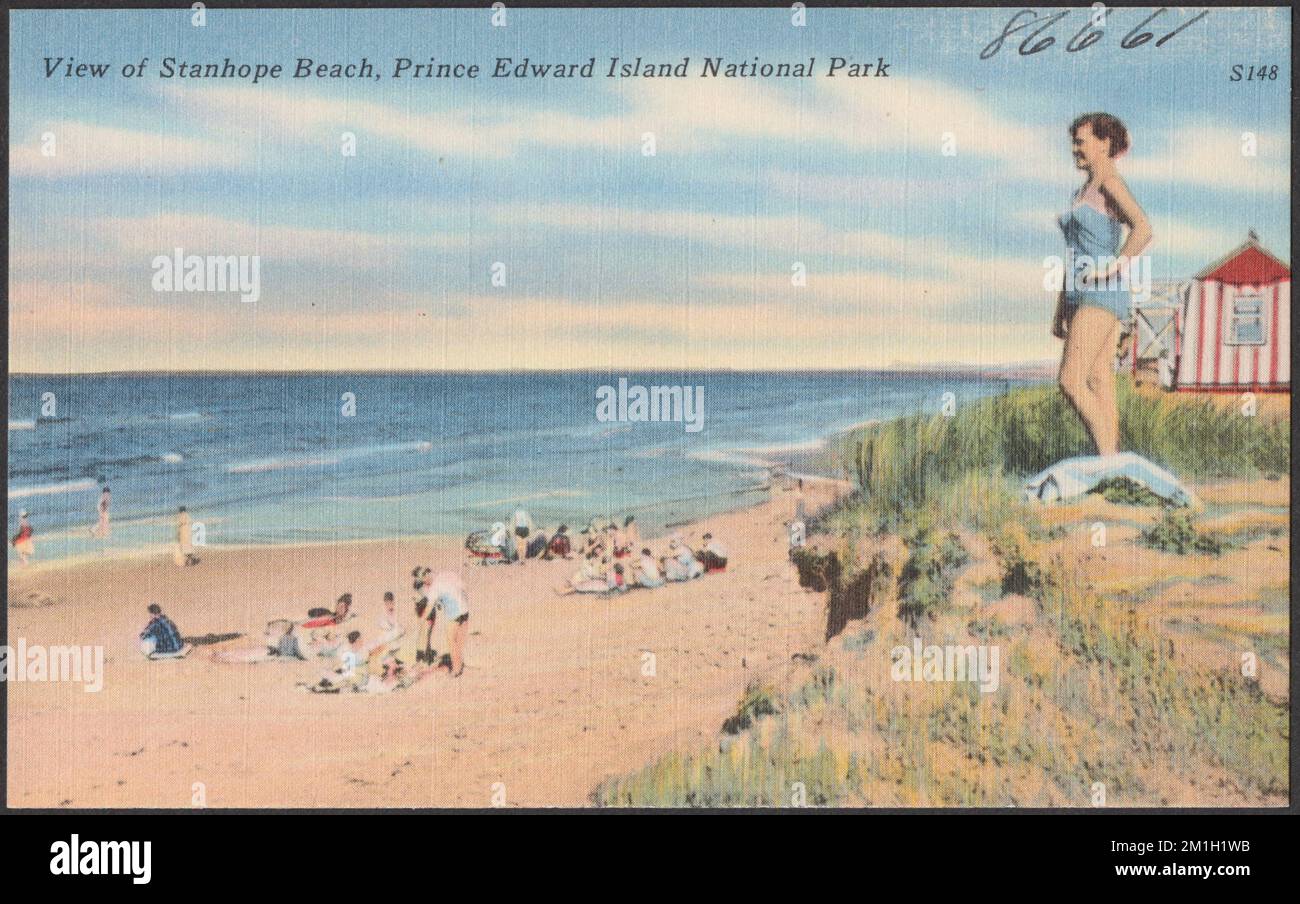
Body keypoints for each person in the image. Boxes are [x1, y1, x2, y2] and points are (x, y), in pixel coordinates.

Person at [1053, 112, 1152, 457]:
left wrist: (1114, 265)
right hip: (1081, 293)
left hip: (1103, 292)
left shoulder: (1109, 181)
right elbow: (1072, 253)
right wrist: (1060, 309)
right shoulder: (1083, 189)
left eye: (1080, 141)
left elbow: (1143, 228)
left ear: (1104, 143)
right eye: (1074, 143)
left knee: (1070, 380)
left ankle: (1110, 461)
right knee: (1098, 381)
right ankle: (1111, 465)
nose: (1075, 149)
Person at [427, 571, 470, 677]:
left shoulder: (434, 587)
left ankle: (456, 669)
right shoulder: (447, 574)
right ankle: (459, 664)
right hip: (465, 609)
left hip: (454, 613)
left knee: (451, 641)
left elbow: (429, 607)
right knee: (459, 641)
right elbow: (463, 586)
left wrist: (422, 620)